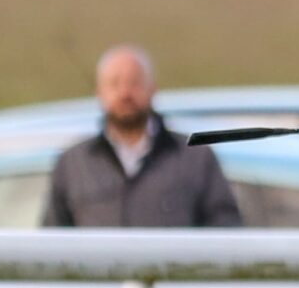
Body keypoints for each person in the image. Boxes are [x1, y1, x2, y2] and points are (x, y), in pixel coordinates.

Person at [43, 45, 242, 231]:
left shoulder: (195, 159)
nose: (125, 93)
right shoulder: (73, 164)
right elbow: (51, 242)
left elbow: (226, 231)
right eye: (114, 83)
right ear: (99, 93)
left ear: (152, 89)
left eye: (134, 83)